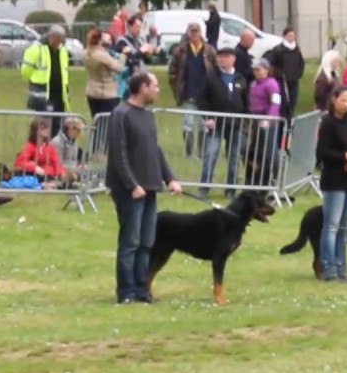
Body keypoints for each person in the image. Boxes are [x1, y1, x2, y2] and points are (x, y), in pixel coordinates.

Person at [105, 71, 182, 304]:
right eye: (155, 86)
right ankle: (126, 291)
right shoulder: (121, 114)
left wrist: (169, 177)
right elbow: (118, 154)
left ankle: (142, 288)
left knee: (147, 241)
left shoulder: (148, 116)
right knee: (131, 240)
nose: (158, 90)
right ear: (143, 88)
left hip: (150, 186)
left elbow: (154, 150)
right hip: (129, 189)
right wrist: (132, 184)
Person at [316, 85, 347, 282]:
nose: (346, 104)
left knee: (344, 227)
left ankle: (342, 267)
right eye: (343, 100)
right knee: (332, 226)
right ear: (334, 99)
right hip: (334, 180)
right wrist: (345, 156)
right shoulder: (327, 122)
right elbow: (322, 153)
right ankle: (329, 267)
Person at [197, 47, 248, 199]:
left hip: (236, 124)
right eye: (220, 56)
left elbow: (245, 101)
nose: (223, 59)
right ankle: (204, 187)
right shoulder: (211, 77)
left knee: (234, 158)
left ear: (233, 59)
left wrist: (245, 120)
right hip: (217, 124)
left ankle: (230, 189)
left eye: (226, 56)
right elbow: (202, 99)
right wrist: (208, 118)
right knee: (210, 154)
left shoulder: (240, 79)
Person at [167, 22, 217, 157]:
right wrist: (176, 88)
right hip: (187, 92)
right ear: (188, 33)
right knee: (187, 124)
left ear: (201, 33)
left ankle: (201, 152)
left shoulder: (209, 50)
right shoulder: (180, 51)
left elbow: (215, 70)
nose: (194, 34)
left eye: (197, 32)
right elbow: (172, 72)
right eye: (192, 32)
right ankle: (189, 153)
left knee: (203, 125)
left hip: (204, 96)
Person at [246, 58, 283, 187]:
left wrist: (269, 119)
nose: (255, 72)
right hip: (255, 118)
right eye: (254, 70)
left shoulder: (271, 84)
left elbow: (275, 103)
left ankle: (274, 175)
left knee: (269, 148)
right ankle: (257, 176)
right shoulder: (253, 84)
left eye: (258, 69)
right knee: (257, 148)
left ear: (266, 70)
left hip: (266, 119)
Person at [20, 26, 71, 116]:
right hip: (42, 95)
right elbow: (25, 71)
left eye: (61, 40)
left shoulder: (63, 50)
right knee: (44, 124)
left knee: (58, 123)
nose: (58, 43)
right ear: (50, 37)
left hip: (59, 95)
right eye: (57, 40)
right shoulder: (36, 49)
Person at [14, 116, 74, 189]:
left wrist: (61, 173)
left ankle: (56, 184)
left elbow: (55, 161)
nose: (47, 130)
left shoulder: (49, 146)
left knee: (68, 178)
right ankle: (49, 184)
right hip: (35, 174)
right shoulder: (29, 146)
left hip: (49, 174)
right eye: (44, 128)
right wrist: (34, 167)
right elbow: (19, 163)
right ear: (36, 130)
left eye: (48, 127)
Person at [84, 28, 125, 118]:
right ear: (99, 40)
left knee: (97, 122)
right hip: (106, 93)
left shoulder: (86, 53)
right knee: (107, 123)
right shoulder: (102, 55)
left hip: (92, 92)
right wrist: (123, 55)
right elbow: (118, 68)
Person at [267, 28, 306, 121]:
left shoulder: (296, 49)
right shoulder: (278, 50)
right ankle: (283, 121)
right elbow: (272, 63)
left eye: (293, 36)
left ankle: (290, 120)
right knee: (284, 103)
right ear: (284, 36)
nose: (291, 38)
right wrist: (279, 73)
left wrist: (299, 73)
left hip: (294, 80)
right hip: (283, 80)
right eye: (289, 36)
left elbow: (301, 62)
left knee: (293, 101)